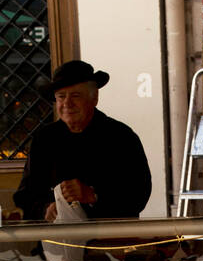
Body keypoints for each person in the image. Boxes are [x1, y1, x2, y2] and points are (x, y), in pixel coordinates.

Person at [13, 60, 151, 222]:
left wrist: (94, 196)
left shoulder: (121, 136)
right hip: (56, 241)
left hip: (109, 240)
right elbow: (25, 195)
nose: (67, 104)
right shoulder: (44, 138)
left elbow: (138, 195)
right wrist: (46, 209)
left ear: (94, 99)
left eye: (75, 96)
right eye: (61, 97)